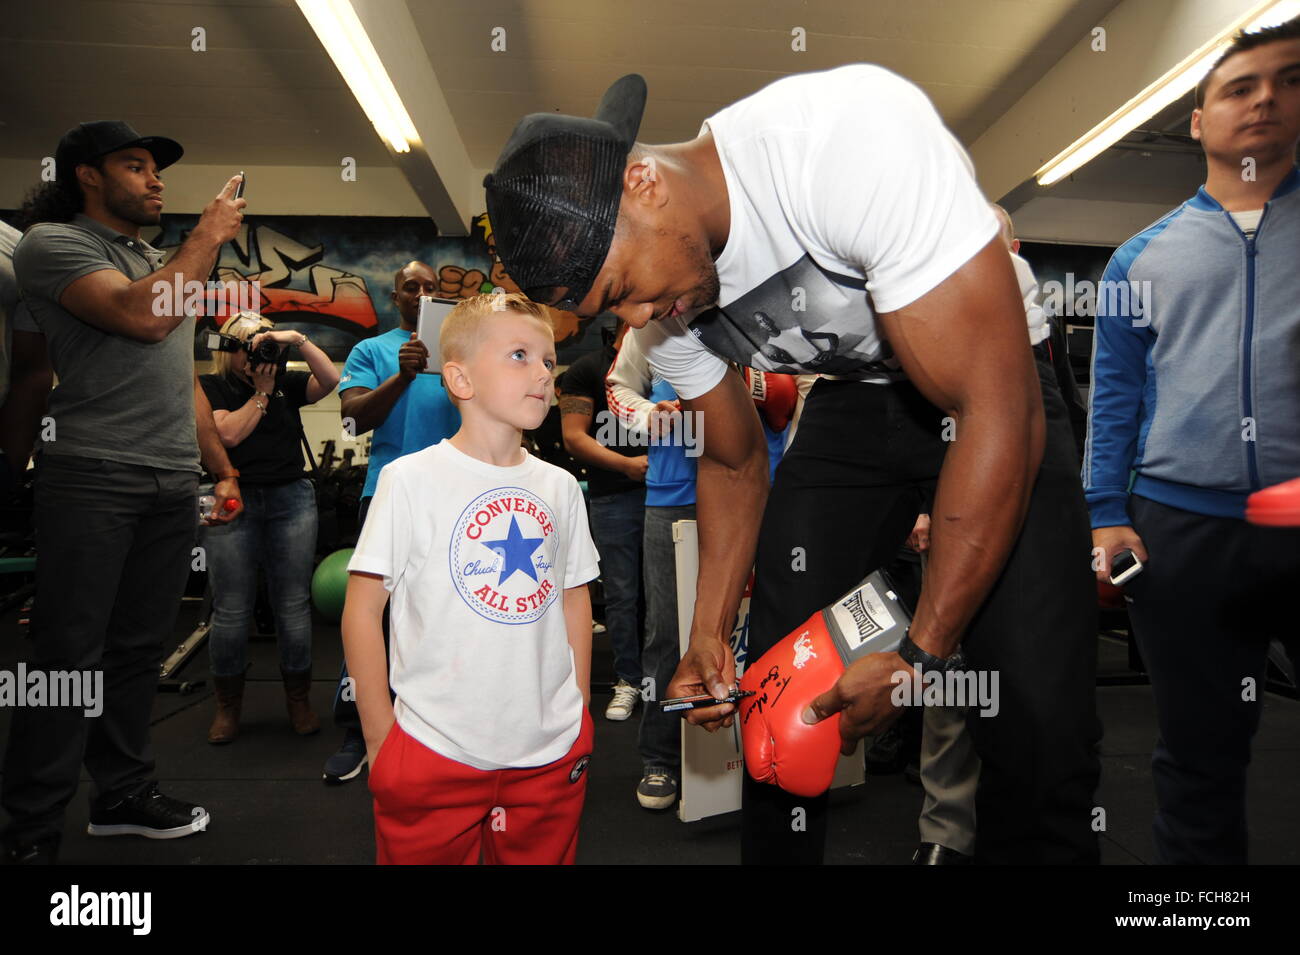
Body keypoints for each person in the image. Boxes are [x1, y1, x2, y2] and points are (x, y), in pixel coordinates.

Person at [485, 66, 1100, 864]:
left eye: (627, 289)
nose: (638, 322)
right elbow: (737, 460)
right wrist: (706, 634)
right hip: (855, 396)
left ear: (643, 182)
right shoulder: (668, 306)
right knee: (774, 676)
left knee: (1035, 712)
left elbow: (995, 410)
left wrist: (919, 654)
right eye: (615, 311)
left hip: (996, 376)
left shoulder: (840, 143)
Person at [1085, 18, 1300, 864]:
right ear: (1198, 122)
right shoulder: (1137, 261)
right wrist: (1106, 513)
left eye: (1287, 81)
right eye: (1239, 87)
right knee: (1199, 763)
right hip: (1180, 530)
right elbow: (1115, 400)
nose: (1265, 99)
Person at [1, 121, 245, 865]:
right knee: (68, 658)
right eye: (134, 166)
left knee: (139, 651)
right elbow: (137, 319)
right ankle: (31, 828)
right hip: (93, 476)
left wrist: (220, 466)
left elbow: (181, 380)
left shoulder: (154, 259)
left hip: (170, 480)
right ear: (85, 175)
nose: (154, 179)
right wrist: (207, 235)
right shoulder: (55, 245)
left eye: (156, 168)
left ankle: (121, 792)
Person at [342, 291, 599, 864]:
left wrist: (578, 711)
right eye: (519, 355)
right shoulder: (409, 480)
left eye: (548, 361)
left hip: (549, 751)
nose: (542, 374)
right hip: (432, 751)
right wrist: (381, 739)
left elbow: (574, 598)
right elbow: (362, 610)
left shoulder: (559, 486)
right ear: (459, 379)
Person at [323, 261, 460, 782]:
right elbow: (355, 420)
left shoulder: (459, 354)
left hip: (454, 496)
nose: (422, 294)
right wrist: (402, 375)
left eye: (430, 287)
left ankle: (437, 730)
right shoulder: (372, 351)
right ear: (395, 296)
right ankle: (359, 729)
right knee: (374, 616)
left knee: (447, 614)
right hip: (388, 496)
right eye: (412, 287)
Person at [198, 310, 340, 743]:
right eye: (250, 345)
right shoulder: (212, 386)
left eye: (265, 344)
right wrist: (260, 394)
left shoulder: (285, 383)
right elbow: (228, 436)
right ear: (229, 349)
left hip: (290, 499)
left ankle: (298, 701)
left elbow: (331, 379)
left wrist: (298, 339)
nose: (261, 353)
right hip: (234, 500)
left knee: (293, 607)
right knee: (232, 609)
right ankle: (228, 707)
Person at [559, 321, 647, 720]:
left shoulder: (671, 362)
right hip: (615, 495)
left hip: (674, 496)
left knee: (671, 593)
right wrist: (626, 465)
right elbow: (574, 436)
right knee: (623, 593)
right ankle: (629, 679)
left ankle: (666, 679)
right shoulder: (588, 370)